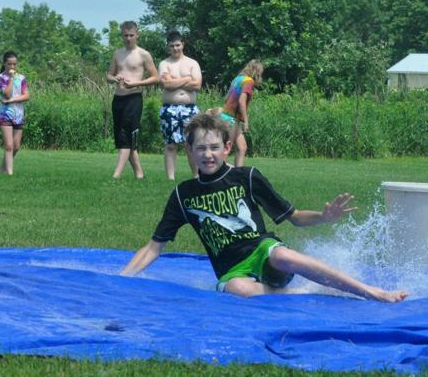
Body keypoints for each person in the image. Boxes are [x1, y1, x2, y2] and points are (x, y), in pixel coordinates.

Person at [121, 112, 408, 302]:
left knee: (283, 256)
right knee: (237, 289)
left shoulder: (247, 177)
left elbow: (294, 217)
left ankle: (370, 291)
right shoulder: (183, 195)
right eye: (200, 148)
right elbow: (154, 247)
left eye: (214, 147)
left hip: (264, 255)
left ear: (227, 148)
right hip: (232, 271)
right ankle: (300, 293)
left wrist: (323, 217)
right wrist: (122, 279)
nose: (208, 154)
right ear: (190, 151)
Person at [107, 21, 159, 179]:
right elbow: (108, 76)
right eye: (125, 35)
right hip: (118, 98)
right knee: (125, 139)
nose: (128, 38)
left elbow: (155, 77)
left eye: (131, 35)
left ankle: (116, 175)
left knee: (126, 136)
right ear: (122, 35)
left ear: (137, 35)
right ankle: (139, 173)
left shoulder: (143, 54)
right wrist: (115, 78)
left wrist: (137, 83)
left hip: (134, 98)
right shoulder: (117, 54)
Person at [158, 30, 202, 180]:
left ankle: (197, 176)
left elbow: (197, 84)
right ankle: (170, 178)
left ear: (183, 44)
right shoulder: (164, 63)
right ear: (168, 47)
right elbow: (167, 85)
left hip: (190, 109)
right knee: (170, 144)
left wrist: (175, 80)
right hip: (169, 108)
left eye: (178, 45)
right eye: (172, 46)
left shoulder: (192, 63)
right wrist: (186, 78)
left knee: (191, 144)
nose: (175, 48)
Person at [221, 59, 263, 167]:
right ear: (256, 71)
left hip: (226, 116)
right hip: (231, 119)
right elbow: (241, 100)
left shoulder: (237, 79)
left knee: (242, 147)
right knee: (226, 148)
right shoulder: (249, 81)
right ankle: (219, 177)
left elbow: (226, 98)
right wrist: (246, 120)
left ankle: (238, 174)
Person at [0, 51, 29, 175]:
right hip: (5, 115)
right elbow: (7, 93)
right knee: (8, 145)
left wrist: (12, 100)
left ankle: (2, 169)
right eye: (9, 64)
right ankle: (10, 174)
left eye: (14, 64)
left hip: (19, 115)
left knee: (16, 147)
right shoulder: (0, 78)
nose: (12, 67)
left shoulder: (21, 78)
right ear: (4, 63)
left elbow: (26, 96)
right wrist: (10, 79)